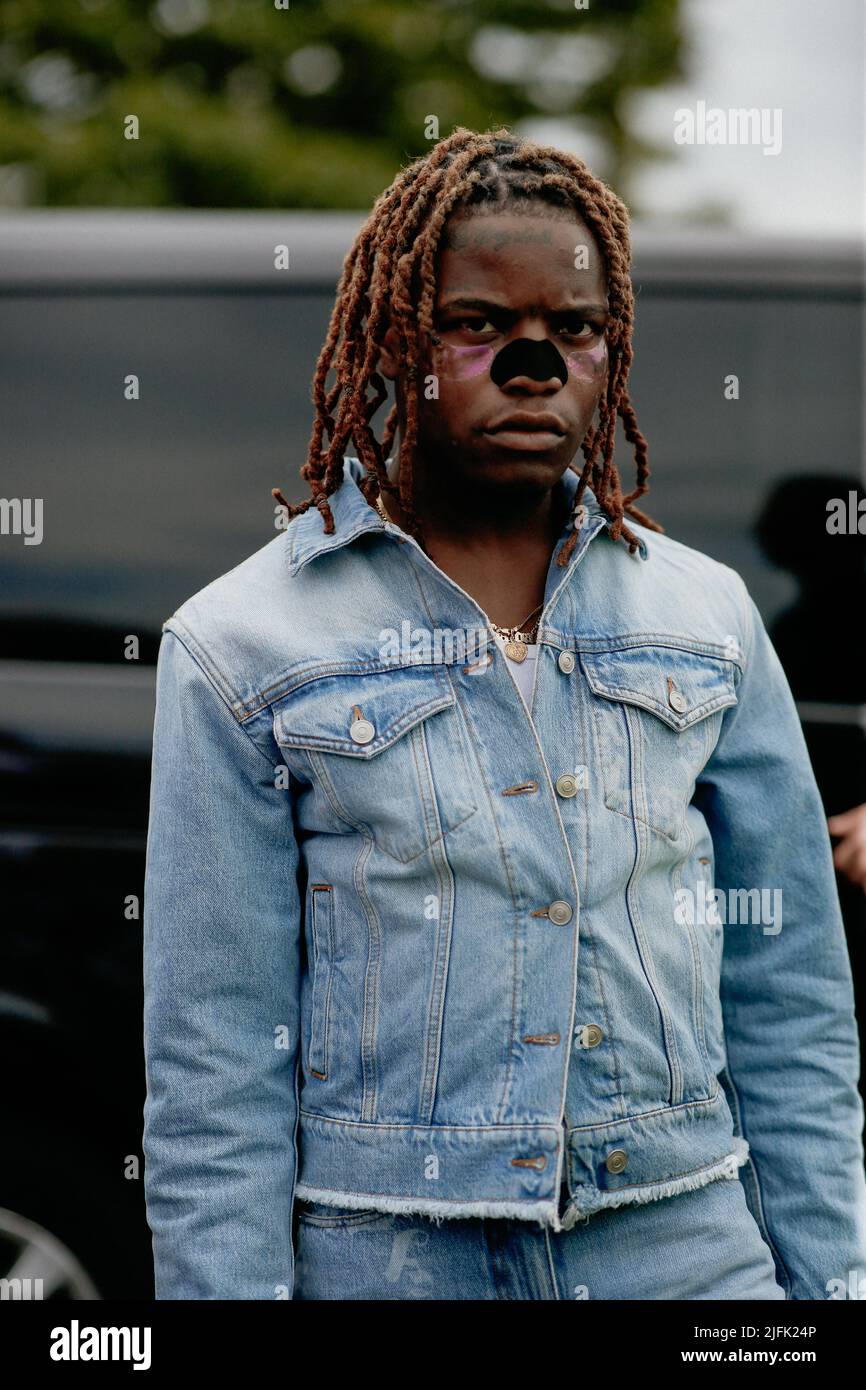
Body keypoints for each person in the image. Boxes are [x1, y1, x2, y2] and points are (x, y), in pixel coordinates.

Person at [142, 126, 866, 1300]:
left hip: (682, 1255)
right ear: (396, 341)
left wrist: (829, 1286)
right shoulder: (241, 643)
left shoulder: (706, 617)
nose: (532, 363)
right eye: (475, 324)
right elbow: (213, 1060)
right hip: (390, 1258)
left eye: (571, 328)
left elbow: (788, 999)